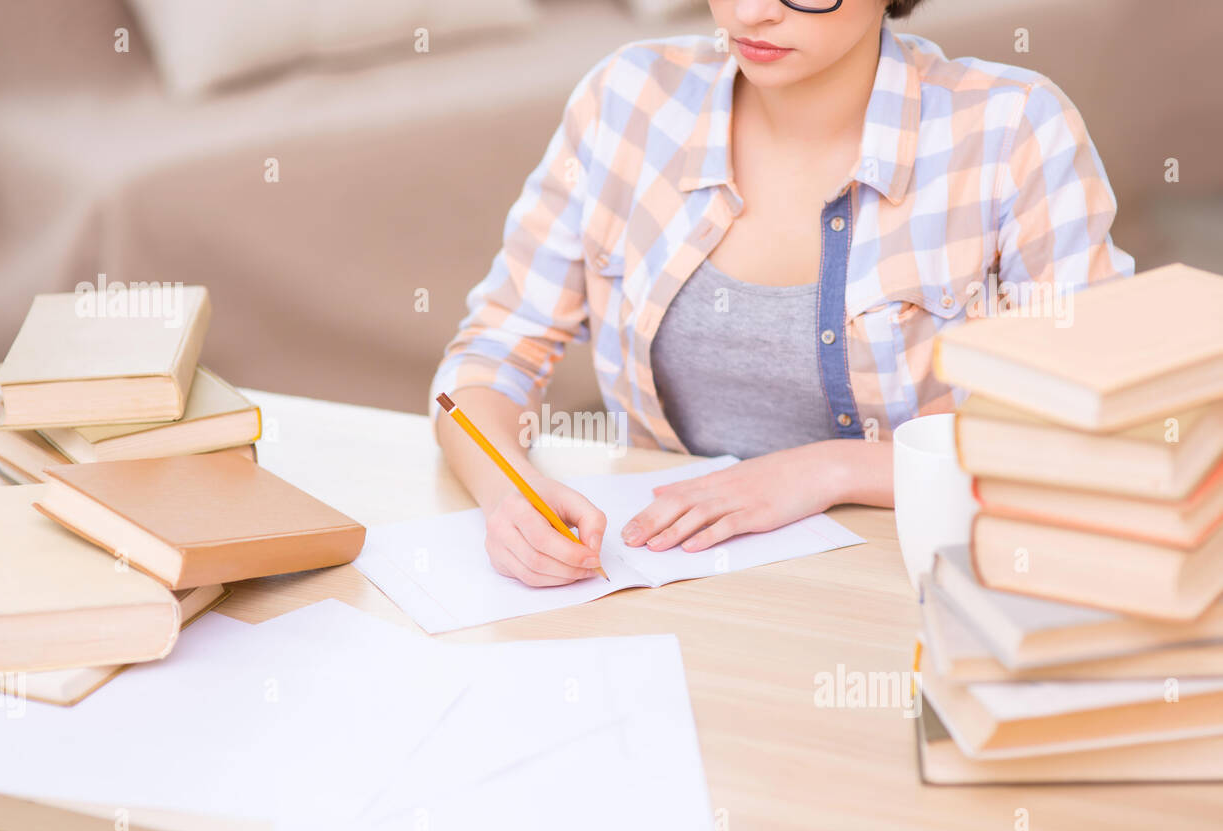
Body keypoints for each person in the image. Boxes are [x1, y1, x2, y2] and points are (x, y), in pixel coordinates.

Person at [431, 0, 1132, 587]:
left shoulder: (1014, 129)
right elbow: (493, 350)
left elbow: (1092, 432)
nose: (749, 12)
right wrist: (508, 493)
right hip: (658, 580)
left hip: (918, 587)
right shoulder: (626, 100)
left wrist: (834, 470)